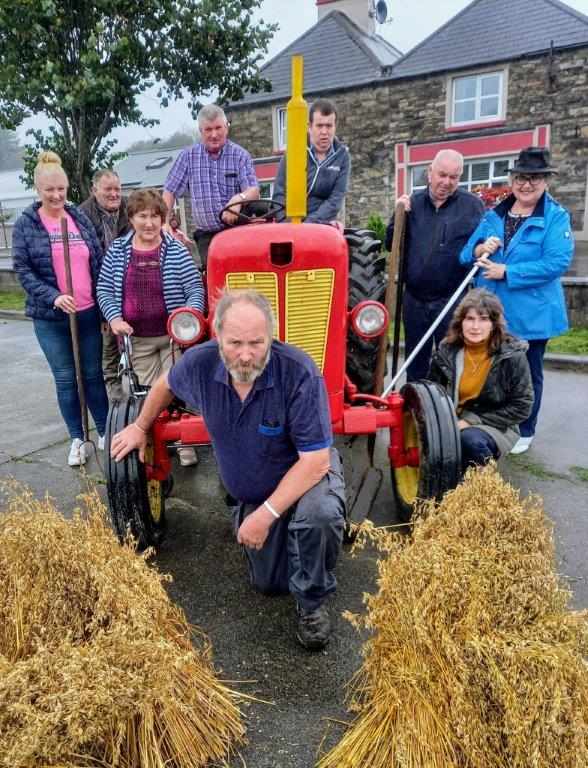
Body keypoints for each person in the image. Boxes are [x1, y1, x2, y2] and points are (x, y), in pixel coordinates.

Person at [109, 290, 346, 651]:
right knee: (270, 584)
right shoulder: (200, 364)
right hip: (255, 492)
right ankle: (274, 527)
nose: (247, 354)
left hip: (305, 475)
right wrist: (141, 426)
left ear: (272, 336)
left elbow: (315, 461)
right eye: (235, 342)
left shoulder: (298, 372)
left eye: (257, 342)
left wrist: (265, 516)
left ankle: (312, 604)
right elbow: (165, 386)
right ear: (217, 335)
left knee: (319, 516)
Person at [460, 147, 574, 454]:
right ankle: (490, 421)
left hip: (532, 314)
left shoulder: (556, 217)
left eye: (535, 178)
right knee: (487, 370)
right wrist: (481, 248)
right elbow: (465, 254)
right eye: (522, 177)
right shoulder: (494, 214)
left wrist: (507, 271)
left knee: (526, 373)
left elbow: (557, 262)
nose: (527, 184)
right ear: (512, 180)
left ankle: (525, 429)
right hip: (491, 313)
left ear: (546, 181)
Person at [12, 152, 109, 467]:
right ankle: (77, 438)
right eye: (49, 190)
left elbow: (95, 260)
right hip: (51, 318)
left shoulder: (77, 218)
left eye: (61, 190)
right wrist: (53, 295)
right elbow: (23, 270)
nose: (56, 196)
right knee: (67, 378)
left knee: (94, 375)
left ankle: (106, 431)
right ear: (37, 189)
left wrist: (104, 306)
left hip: (88, 312)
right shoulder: (27, 224)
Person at [97, 188, 205, 466]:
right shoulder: (117, 251)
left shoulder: (175, 251)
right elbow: (104, 290)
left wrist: (187, 315)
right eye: (142, 216)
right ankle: (151, 436)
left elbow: (195, 288)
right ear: (131, 218)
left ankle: (182, 440)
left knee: (176, 386)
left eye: (155, 216)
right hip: (138, 338)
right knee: (145, 390)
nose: (149, 223)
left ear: (162, 219)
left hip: (172, 336)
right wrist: (114, 318)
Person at [385, 149, 484, 381]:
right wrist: (398, 214)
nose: (447, 182)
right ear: (429, 173)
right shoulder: (412, 204)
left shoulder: (473, 207)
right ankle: (413, 411)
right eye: (442, 175)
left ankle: (445, 410)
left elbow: (480, 248)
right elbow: (391, 243)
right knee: (415, 362)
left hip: (450, 301)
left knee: (450, 363)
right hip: (415, 300)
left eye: (454, 177)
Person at [428, 289, 533, 472]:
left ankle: (484, 482)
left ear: (494, 324)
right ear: (460, 322)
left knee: (469, 441)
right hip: (452, 420)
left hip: (496, 423)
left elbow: (522, 405)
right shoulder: (447, 350)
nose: (475, 326)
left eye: (483, 319)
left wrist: (470, 421)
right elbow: (432, 393)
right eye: (470, 319)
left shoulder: (511, 356)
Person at [162, 104, 260, 269]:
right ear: (200, 131)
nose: (214, 134)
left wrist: (238, 199)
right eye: (208, 129)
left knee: (241, 279)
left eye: (218, 128)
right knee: (214, 281)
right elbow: (169, 191)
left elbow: (253, 191)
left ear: (226, 128)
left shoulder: (240, 155)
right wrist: (164, 224)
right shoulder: (188, 157)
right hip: (207, 238)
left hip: (237, 232)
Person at [80, 169, 131, 401]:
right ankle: (116, 401)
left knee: (137, 345)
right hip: (101, 288)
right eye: (108, 189)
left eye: (117, 189)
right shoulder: (81, 216)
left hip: (132, 288)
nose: (114, 194)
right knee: (109, 348)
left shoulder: (131, 209)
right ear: (94, 190)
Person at [273, 98, 350, 224]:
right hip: (289, 223)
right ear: (309, 126)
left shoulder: (343, 156)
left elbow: (335, 199)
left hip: (322, 223)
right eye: (319, 126)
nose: (324, 132)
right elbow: (279, 193)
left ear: (335, 126)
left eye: (329, 126)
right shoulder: (294, 151)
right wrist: (286, 224)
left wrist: (309, 224)